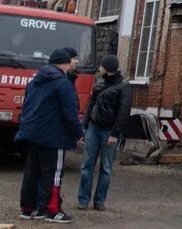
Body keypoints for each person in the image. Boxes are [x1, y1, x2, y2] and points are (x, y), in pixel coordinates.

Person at [17, 48, 83, 223]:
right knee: (53, 173)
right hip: (54, 136)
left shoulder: (34, 82)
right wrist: (78, 132)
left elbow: (27, 107)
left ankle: (28, 207)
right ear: (62, 64)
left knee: (32, 171)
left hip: (33, 133)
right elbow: (70, 113)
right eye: (70, 61)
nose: (72, 64)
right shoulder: (62, 83)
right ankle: (52, 209)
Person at [77, 55, 132, 211]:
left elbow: (123, 112)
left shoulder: (124, 86)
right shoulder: (99, 83)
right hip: (94, 127)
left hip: (109, 131)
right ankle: (83, 200)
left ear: (107, 68)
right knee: (87, 165)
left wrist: (115, 133)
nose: (99, 69)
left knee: (106, 167)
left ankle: (99, 201)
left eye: (101, 66)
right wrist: (84, 126)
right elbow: (91, 104)